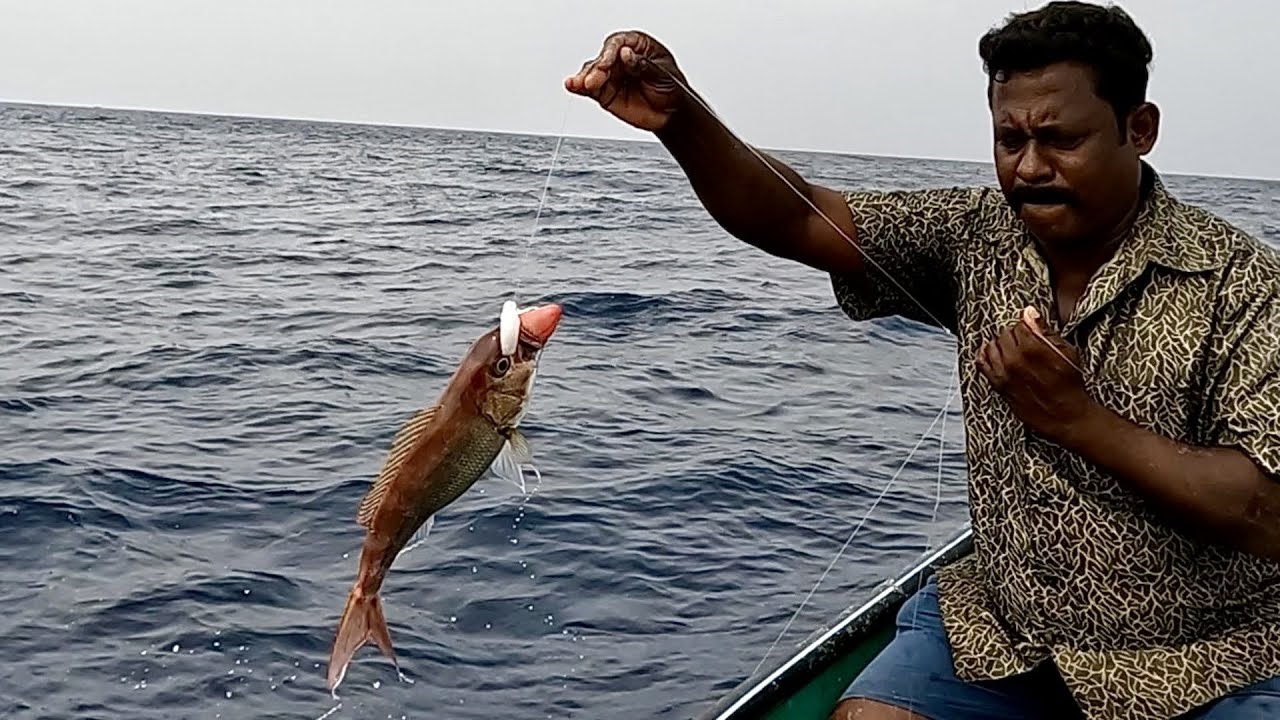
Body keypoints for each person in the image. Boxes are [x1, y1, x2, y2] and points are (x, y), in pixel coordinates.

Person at [565, 2, 1280, 719]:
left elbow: (1268, 512)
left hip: (1211, 657)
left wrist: (1077, 420)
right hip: (1001, 632)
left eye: (1061, 139)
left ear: (1139, 129)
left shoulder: (1245, 283)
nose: (1029, 167)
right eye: (1009, 139)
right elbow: (799, 215)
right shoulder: (973, 234)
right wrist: (685, 120)